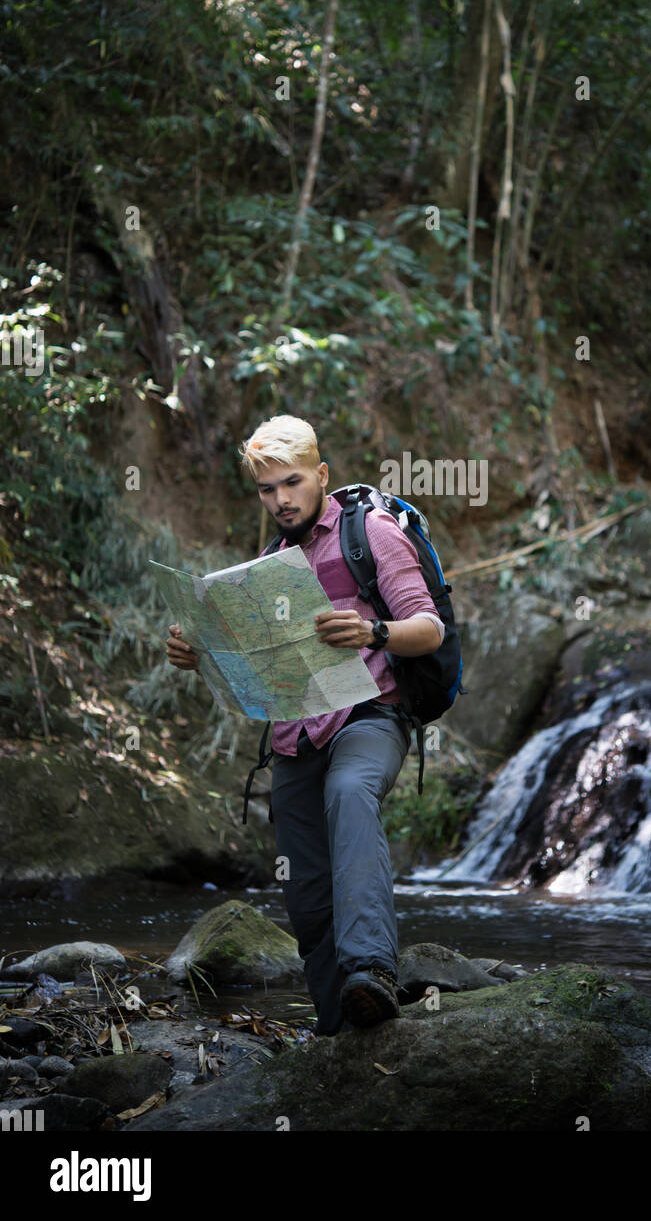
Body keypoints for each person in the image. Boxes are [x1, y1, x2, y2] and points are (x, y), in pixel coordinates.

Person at [165, 415, 443, 1035]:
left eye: (292, 483)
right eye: (267, 490)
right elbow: (255, 663)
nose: (281, 500)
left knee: (350, 793)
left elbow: (429, 629)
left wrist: (373, 631)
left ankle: (371, 970)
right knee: (305, 887)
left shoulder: (370, 533)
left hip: (372, 714)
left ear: (321, 475)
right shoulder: (271, 563)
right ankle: (336, 1027)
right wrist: (199, 654)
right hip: (295, 735)